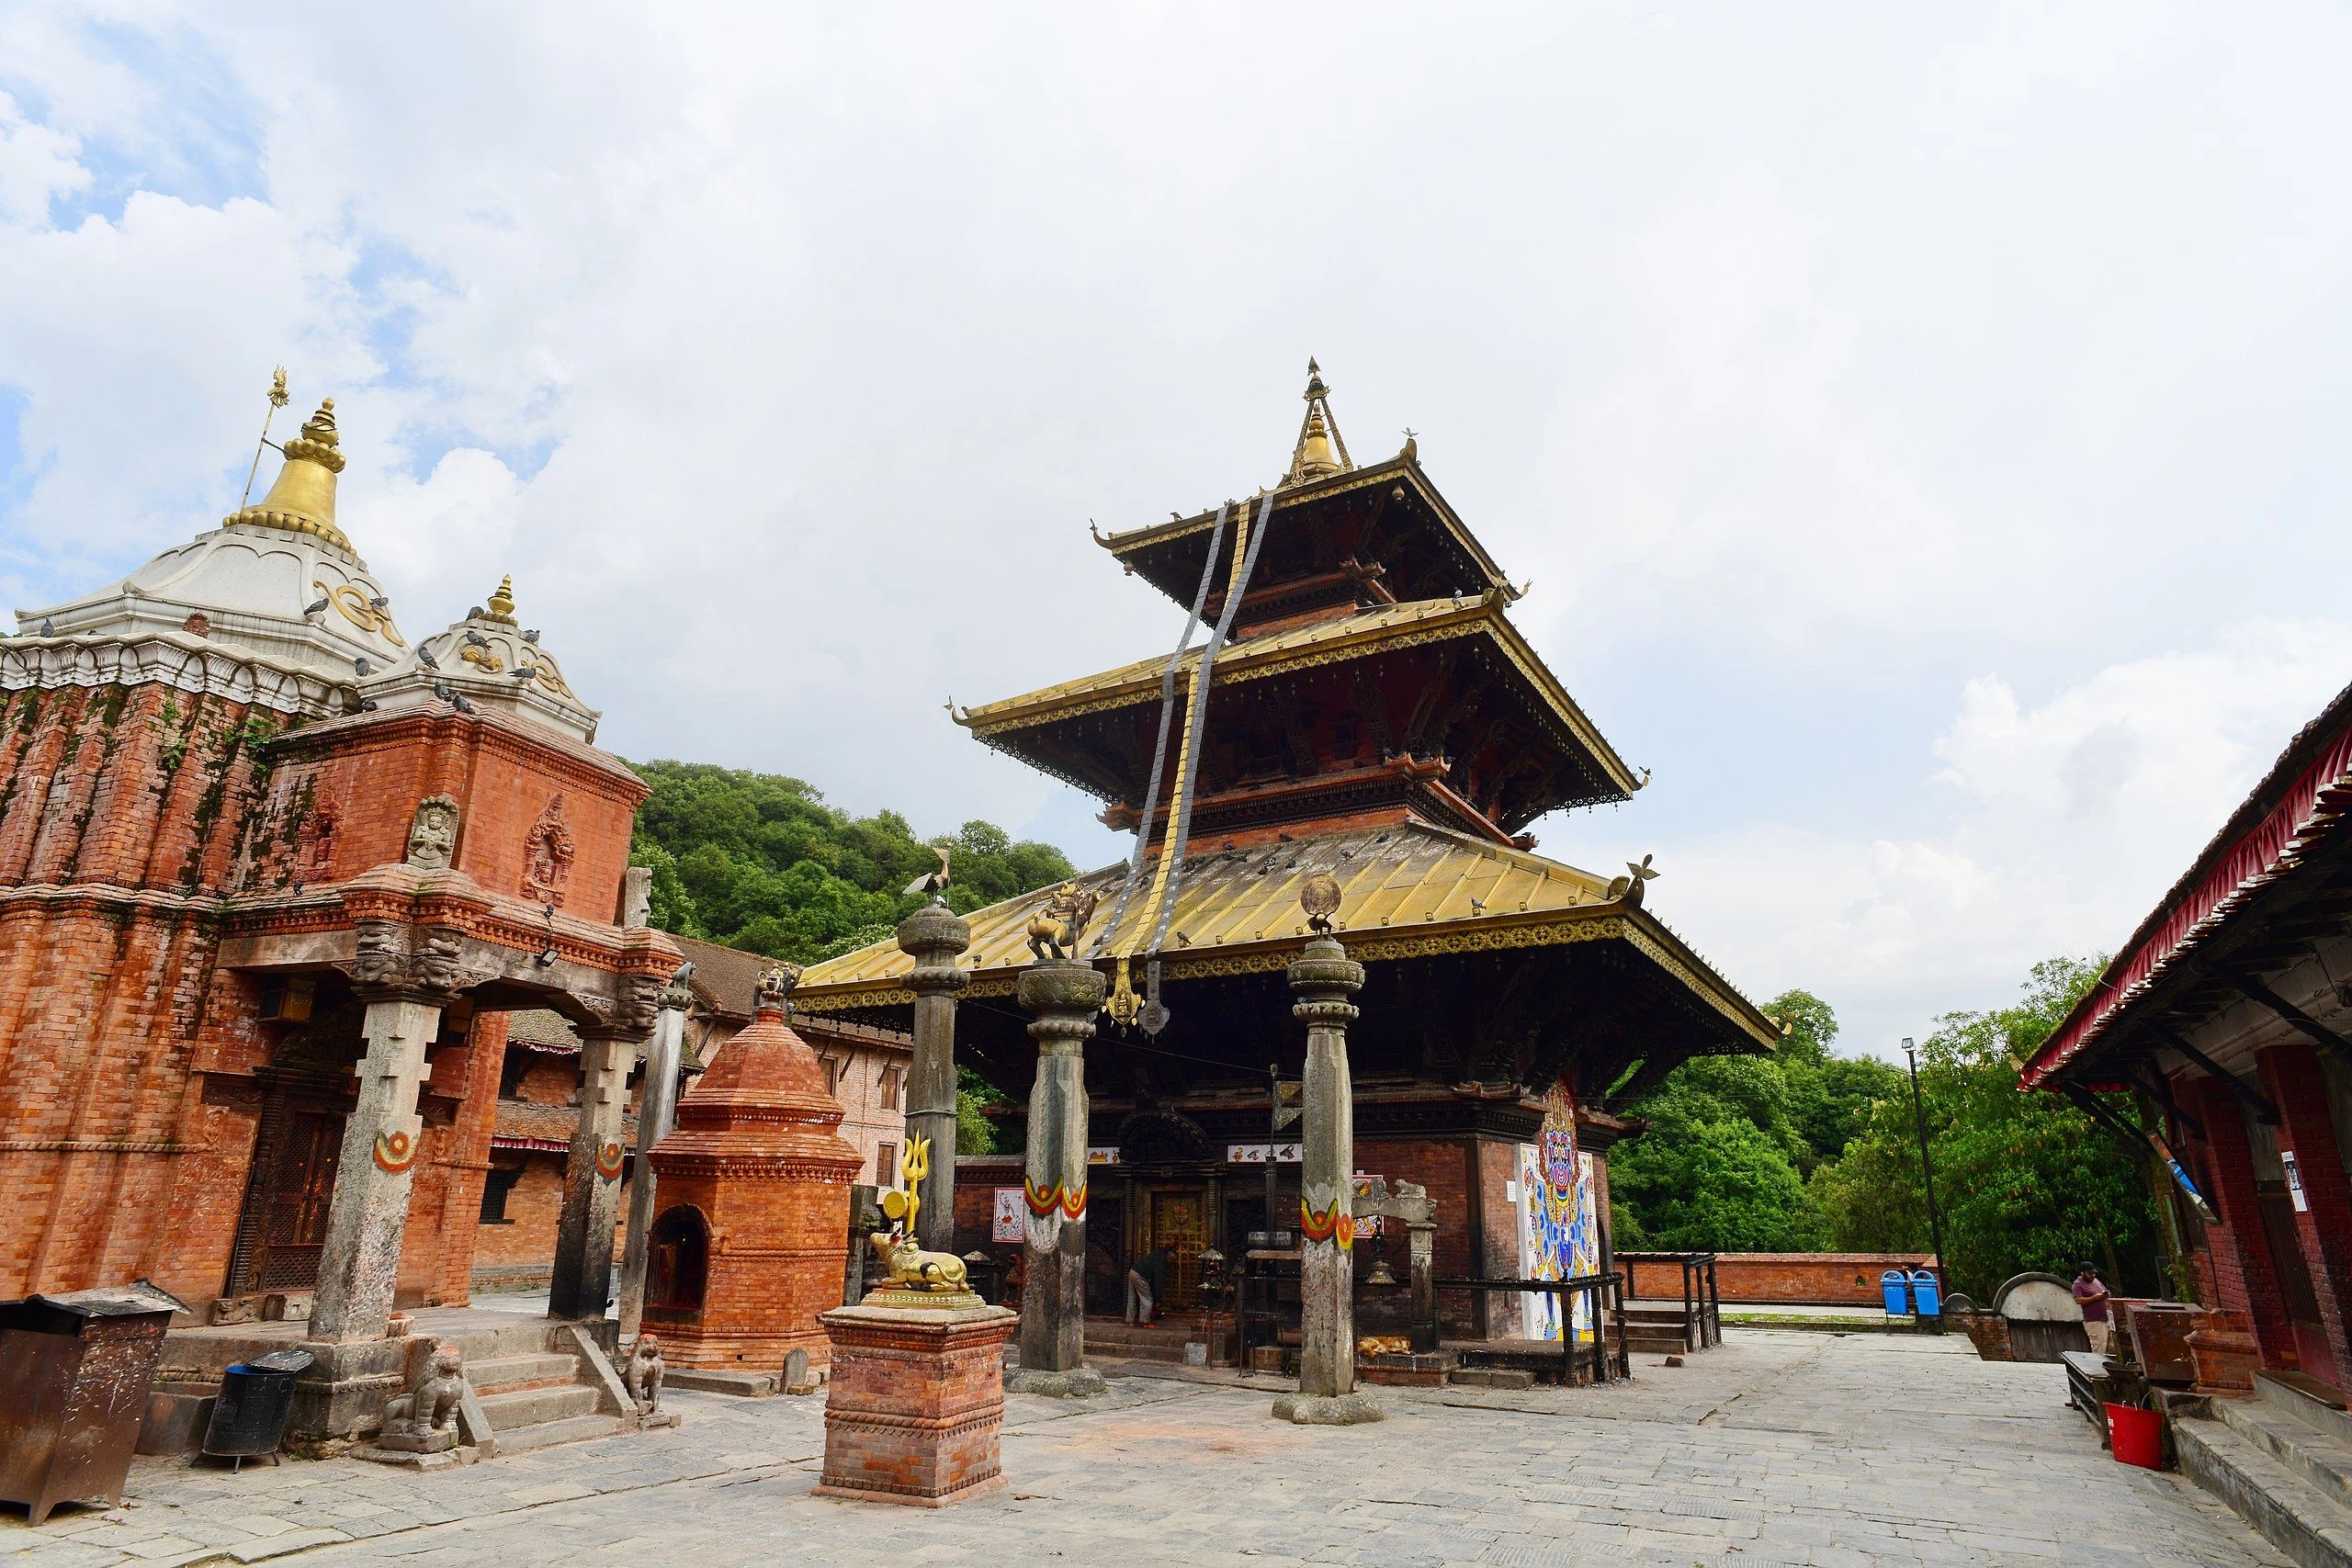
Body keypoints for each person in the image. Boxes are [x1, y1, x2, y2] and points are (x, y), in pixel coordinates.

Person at [1126, 1244, 1172, 1326]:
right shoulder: (1161, 1264)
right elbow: (1158, 1282)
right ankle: (1145, 1322)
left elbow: (1165, 1249)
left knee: (1132, 1297)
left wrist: (1172, 1244)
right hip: (1140, 1276)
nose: (1171, 1263)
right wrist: (1158, 1299)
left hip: (1133, 1271)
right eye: (1171, 1260)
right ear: (1169, 1257)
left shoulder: (1158, 1253)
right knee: (1147, 1299)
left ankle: (1131, 1320)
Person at [2074, 1263, 2112, 1354]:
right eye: (2090, 1273)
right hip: (2094, 1320)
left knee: (2112, 1346)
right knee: (2099, 1348)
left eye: (2094, 1273)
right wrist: (2094, 1298)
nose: (2093, 1275)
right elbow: (2078, 1300)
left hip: (2106, 1317)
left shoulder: (2096, 1281)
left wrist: (2106, 1295)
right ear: (2082, 1273)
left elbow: (2104, 1291)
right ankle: (2097, 1368)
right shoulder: (2078, 1284)